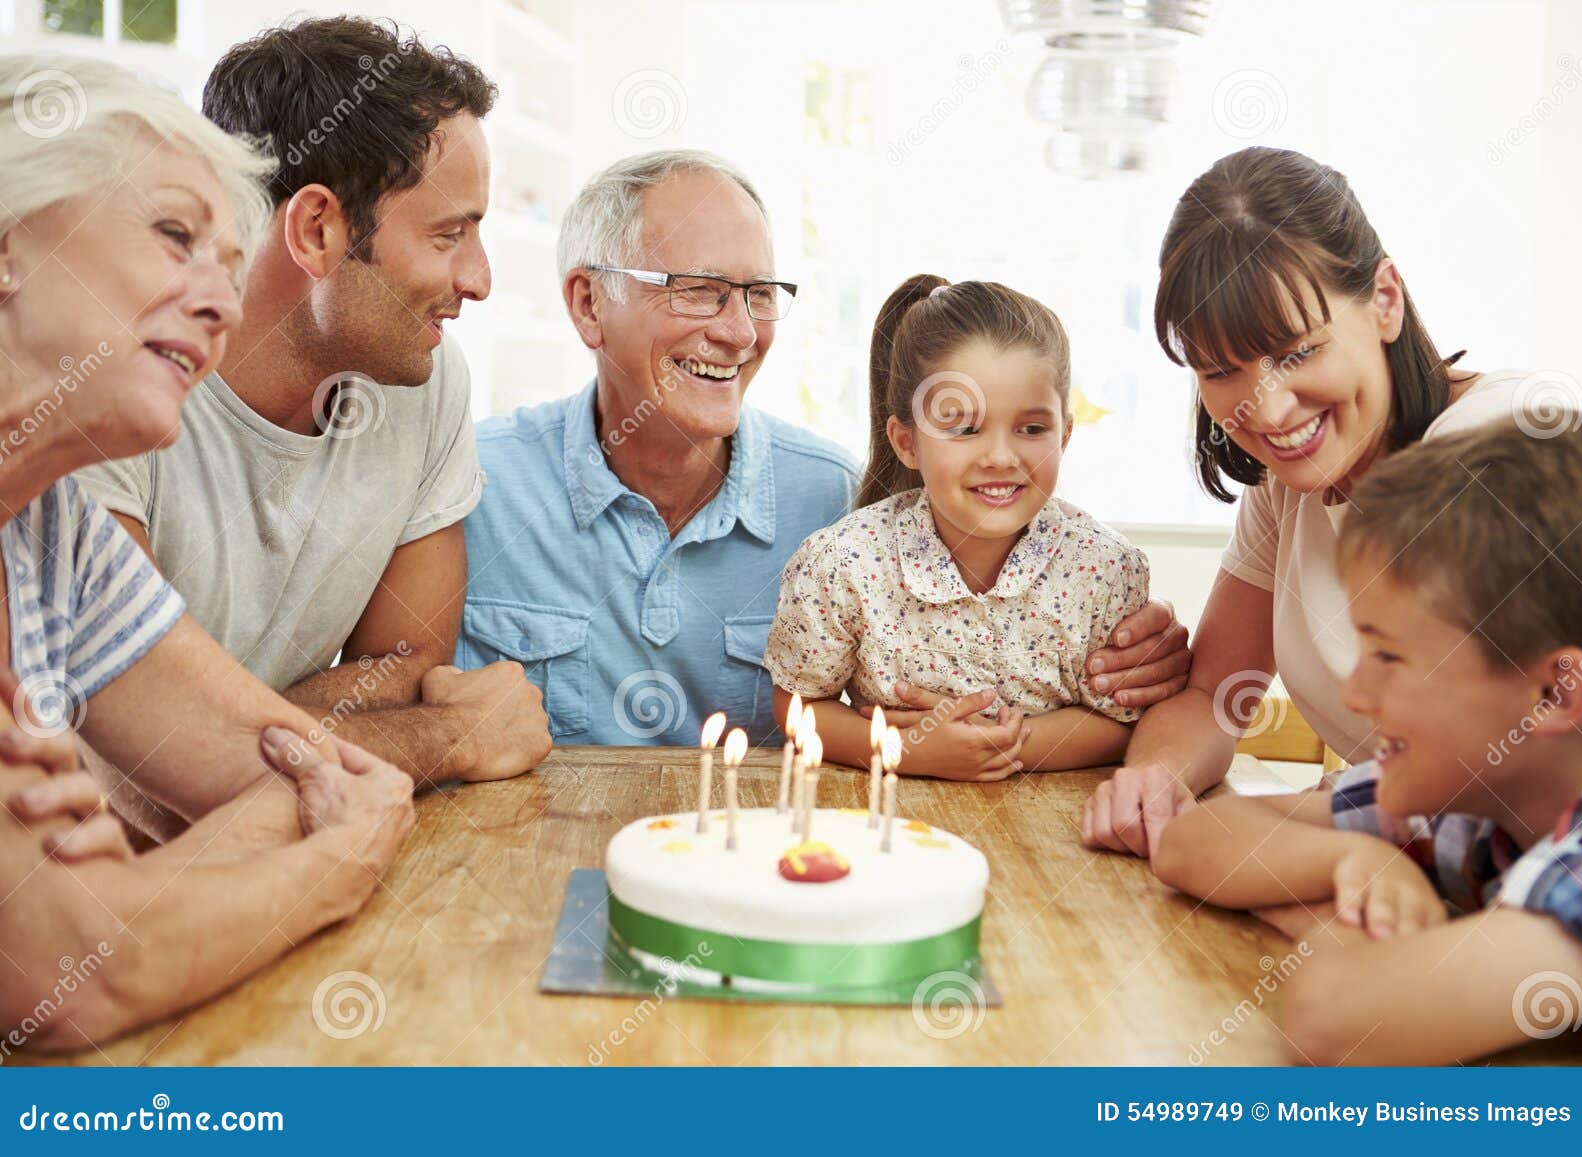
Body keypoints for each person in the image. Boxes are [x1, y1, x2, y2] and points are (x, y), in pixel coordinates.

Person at [458, 150, 1192, 747]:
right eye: (700, 289)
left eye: (760, 293)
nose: (741, 332)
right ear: (589, 304)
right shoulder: (473, 485)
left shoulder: (836, 498)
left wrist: (1135, 654)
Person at [0, 55, 414, 1051]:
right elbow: (65, 981)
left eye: (229, 269)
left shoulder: (53, 530)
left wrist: (110, 909)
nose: (224, 306)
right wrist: (335, 867)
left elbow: (316, 774)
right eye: (174, 236)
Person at [73, 16, 550, 813]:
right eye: (449, 234)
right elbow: (142, 782)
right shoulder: (110, 389)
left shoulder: (426, 378)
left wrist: (217, 738)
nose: (479, 278)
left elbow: (408, 667)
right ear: (317, 229)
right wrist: (452, 736)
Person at [1082, 145, 1582, 858]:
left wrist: (1308, 840)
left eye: (1297, 352)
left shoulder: (1500, 453)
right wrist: (1153, 780)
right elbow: (1215, 696)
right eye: (1222, 370)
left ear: (1384, 300)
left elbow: (1493, 764)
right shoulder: (1287, 486)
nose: (1268, 409)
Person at [1154, 419, 1582, 1065]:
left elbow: (1332, 1020)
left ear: (1554, 694)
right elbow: (1191, 840)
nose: (1355, 693)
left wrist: (1336, 920)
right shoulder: (1470, 795)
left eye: (1388, 656)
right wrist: (1354, 862)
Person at [765, 276, 1148, 778]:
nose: (1001, 457)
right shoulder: (841, 564)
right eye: (965, 429)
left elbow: (1123, 719)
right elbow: (798, 706)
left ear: (1065, 434)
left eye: (1032, 429)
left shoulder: (1107, 570)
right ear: (907, 442)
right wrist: (907, 751)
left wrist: (999, 747)